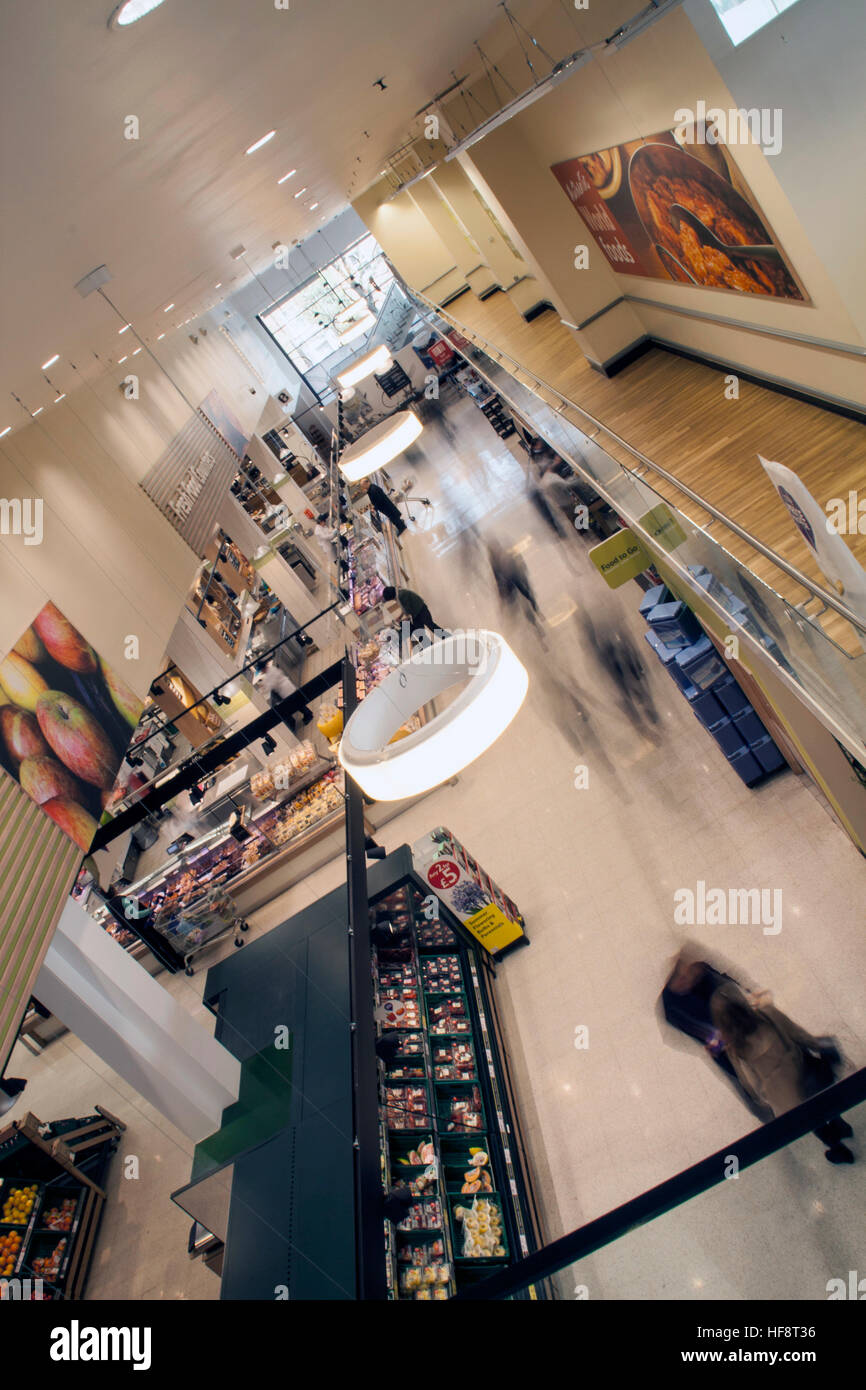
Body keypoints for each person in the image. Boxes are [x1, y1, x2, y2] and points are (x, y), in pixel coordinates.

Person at [710, 983, 853, 1164]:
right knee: (823, 1101)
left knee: (814, 1122)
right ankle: (840, 1125)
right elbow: (800, 1035)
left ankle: (839, 1150)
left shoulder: (736, 1052)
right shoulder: (768, 1015)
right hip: (806, 1074)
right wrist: (818, 1045)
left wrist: (769, 1095)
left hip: (787, 1101)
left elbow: (753, 1088)